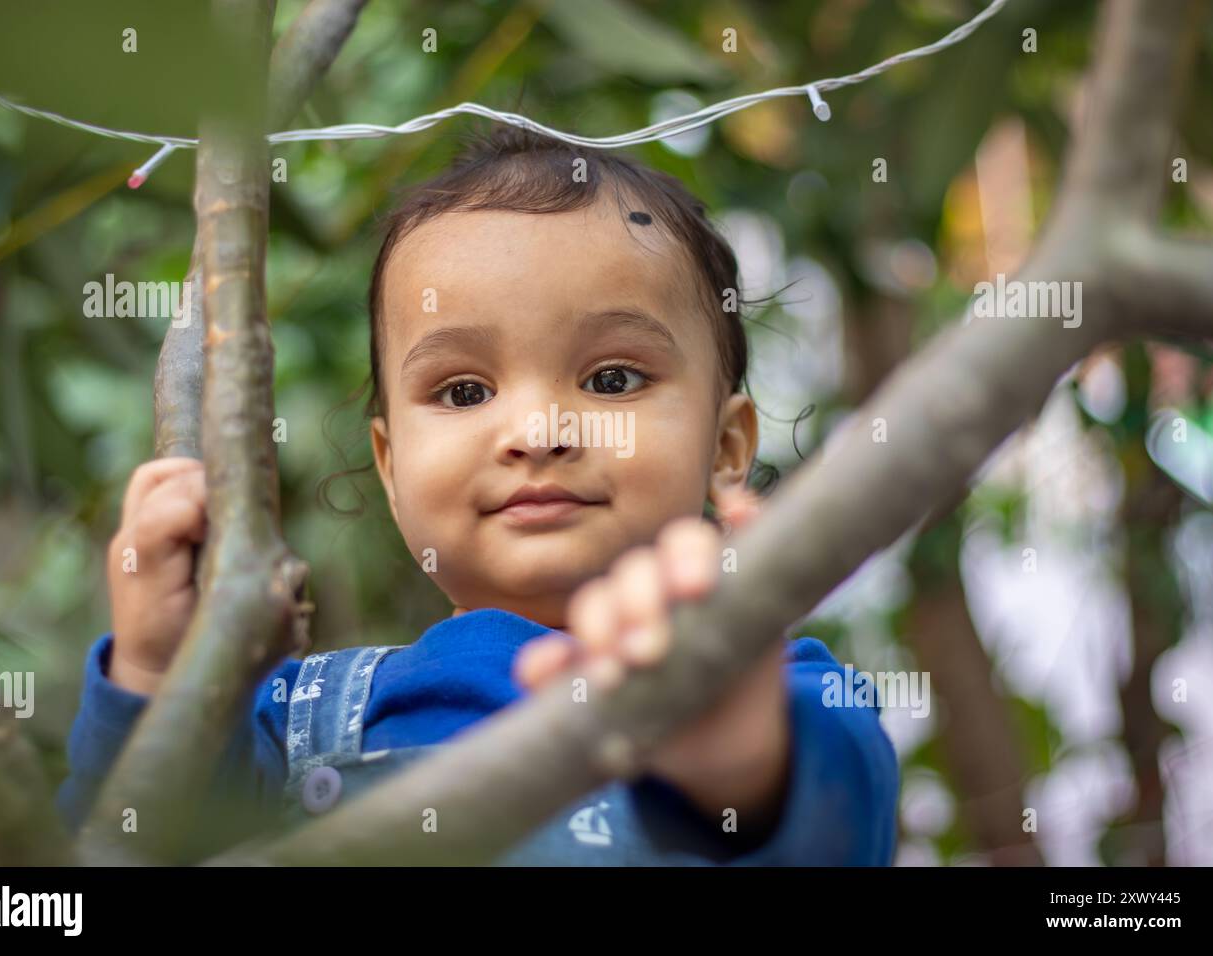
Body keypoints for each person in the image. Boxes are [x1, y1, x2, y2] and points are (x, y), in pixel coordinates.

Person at [57, 125, 899, 865]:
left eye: (611, 379)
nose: (536, 431)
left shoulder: (787, 700)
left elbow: (834, 830)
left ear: (725, 449)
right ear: (391, 468)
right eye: (463, 392)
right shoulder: (286, 722)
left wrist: (742, 764)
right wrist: (159, 678)